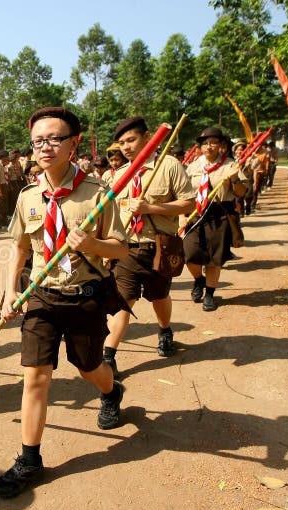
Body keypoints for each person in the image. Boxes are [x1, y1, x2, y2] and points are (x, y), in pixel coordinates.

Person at [0, 106, 128, 499]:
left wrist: (91, 243)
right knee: (35, 375)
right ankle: (30, 459)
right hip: (41, 296)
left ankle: (110, 391)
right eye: (38, 140)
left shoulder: (98, 195)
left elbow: (120, 248)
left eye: (54, 138)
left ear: (73, 144)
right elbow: (20, 248)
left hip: (84, 297)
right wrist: (10, 292)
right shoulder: (28, 197)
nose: (45, 146)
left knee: (89, 367)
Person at [101, 117, 195, 375]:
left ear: (148, 136)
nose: (126, 147)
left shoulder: (168, 166)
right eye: (121, 143)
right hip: (127, 249)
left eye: (131, 140)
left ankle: (165, 330)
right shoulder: (118, 176)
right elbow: (108, 215)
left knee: (159, 296)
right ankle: (109, 355)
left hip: (159, 248)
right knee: (123, 300)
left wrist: (151, 208)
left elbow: (189, 204)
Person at [183, 127, 247, 311]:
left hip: (218, 215)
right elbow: (182, 193)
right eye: (204, 144)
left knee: (214, 259)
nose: (208, 147)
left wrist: (235, 180)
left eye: (213, 143)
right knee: (189, 253)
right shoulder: (193, 167)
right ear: (200, 147)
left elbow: (241, 193)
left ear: (221, 145)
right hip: (195, 215)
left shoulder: (230, 165)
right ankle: (198, 279)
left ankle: (209, 294)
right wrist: (181, 216)